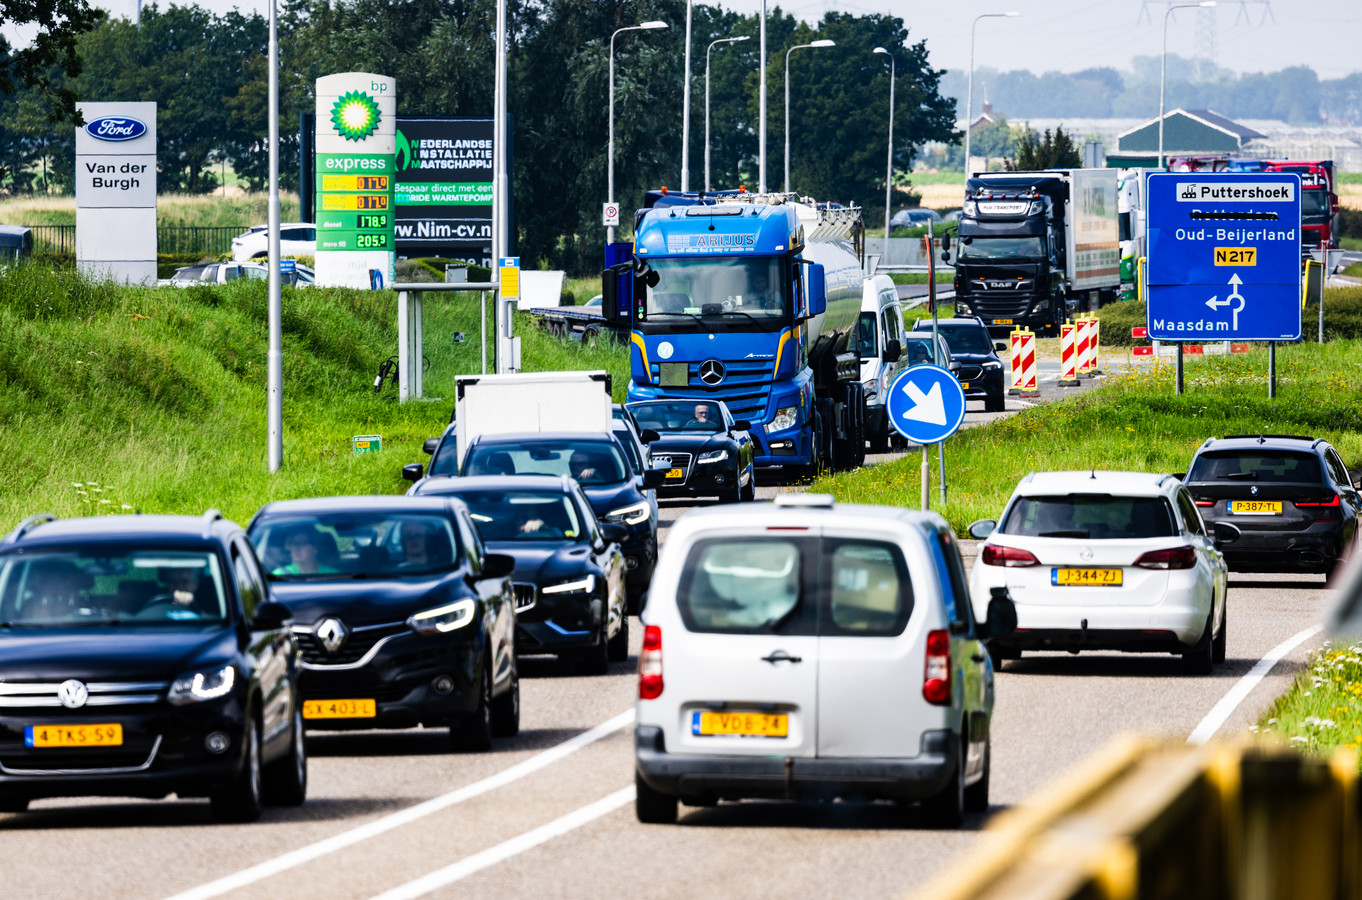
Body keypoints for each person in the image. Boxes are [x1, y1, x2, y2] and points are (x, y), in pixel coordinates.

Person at [273, 527, 339, 576]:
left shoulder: (333, 575)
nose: (296, 548)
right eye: (294, 544)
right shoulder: (280, 574)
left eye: (302, 544)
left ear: (315, 549)